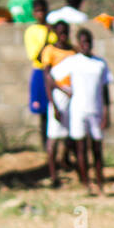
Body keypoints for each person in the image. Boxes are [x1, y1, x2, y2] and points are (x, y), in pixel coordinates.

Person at [50, 26, 112, 196]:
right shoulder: (73, 61)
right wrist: (65, 91)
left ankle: (100, 183)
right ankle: (86, 184)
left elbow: (105, 91)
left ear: (92, 43)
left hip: (96, 111)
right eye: (83, 42)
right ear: (78, 43)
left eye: (88, 42)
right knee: (81, 149)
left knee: (97, 149)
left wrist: (107, 113)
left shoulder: (100, 63)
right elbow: (51, 76)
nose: (86, 45)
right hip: (78, 111)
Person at [40, 20, 76, 186]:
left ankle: (65, 163)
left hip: (72, 97)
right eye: (60, 32)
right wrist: (54, 102)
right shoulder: (49, 50)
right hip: (58, 97)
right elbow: (48, 79)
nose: (63, 35)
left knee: (69, 136)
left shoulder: (73, 51)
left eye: (65, 32)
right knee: (53, 137)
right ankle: (53, 174)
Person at [24, 0, 57, 144]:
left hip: (56, 73)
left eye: (43, 11)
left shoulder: (55, 30)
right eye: (37, 11)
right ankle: (46, 146)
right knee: (44, 113)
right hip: (40, 73)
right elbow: (36, 57)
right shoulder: (31, 31)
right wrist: (47, 38)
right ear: (33, 13)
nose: (40, 14)